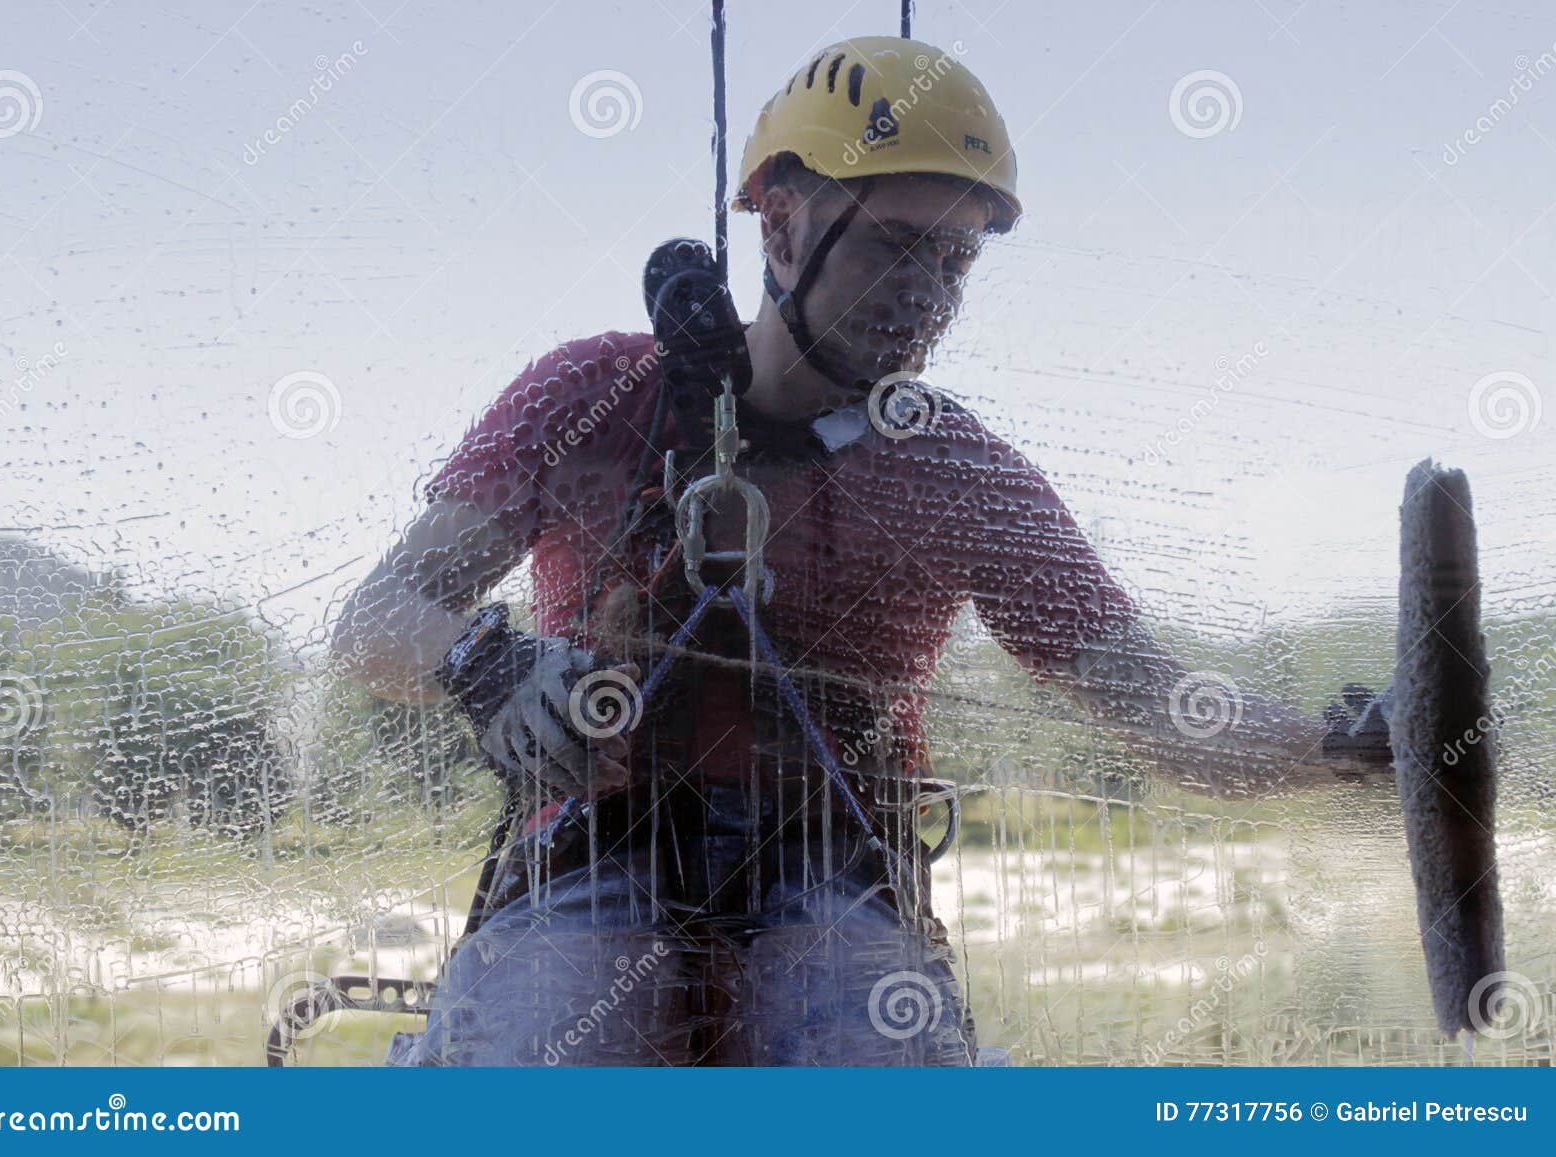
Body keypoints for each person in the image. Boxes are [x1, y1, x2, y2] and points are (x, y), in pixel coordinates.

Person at [330, 35, 1390, 1066]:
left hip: (832, 876)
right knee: (551, 1049)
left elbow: (1159, 705)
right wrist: (486, 665)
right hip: (588, 857)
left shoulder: (958, 473)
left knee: (869, 1050)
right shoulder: (596, 397)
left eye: (955, 259)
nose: (927, 291)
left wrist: (1355, 752)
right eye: (892, 244)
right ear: (783, 229)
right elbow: (375, 620)